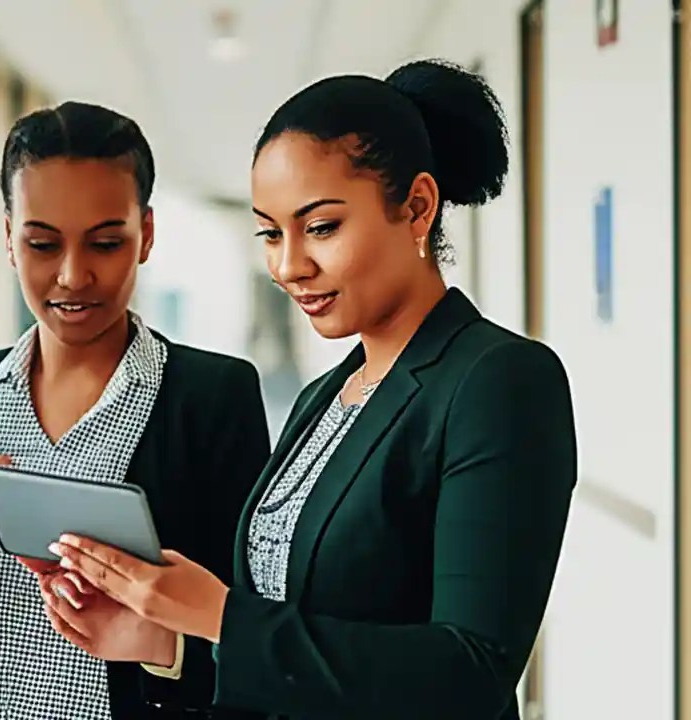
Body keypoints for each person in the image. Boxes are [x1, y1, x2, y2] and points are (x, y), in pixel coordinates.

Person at [41, 59, 578, 720]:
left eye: (321, 227)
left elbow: (469, 673)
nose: (289, 266)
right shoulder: (323, 396)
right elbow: (292, 637)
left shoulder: (498, 380)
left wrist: (222, 616)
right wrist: (168, 640)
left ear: (416, 208)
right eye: (270, 233)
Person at [0, 101, 272, 719]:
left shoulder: (212, 398)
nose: (73, 276)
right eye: (42, 244)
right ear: (8, 238)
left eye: (106, 243)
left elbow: (240, 630)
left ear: (147, 235)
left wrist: (159, 641)